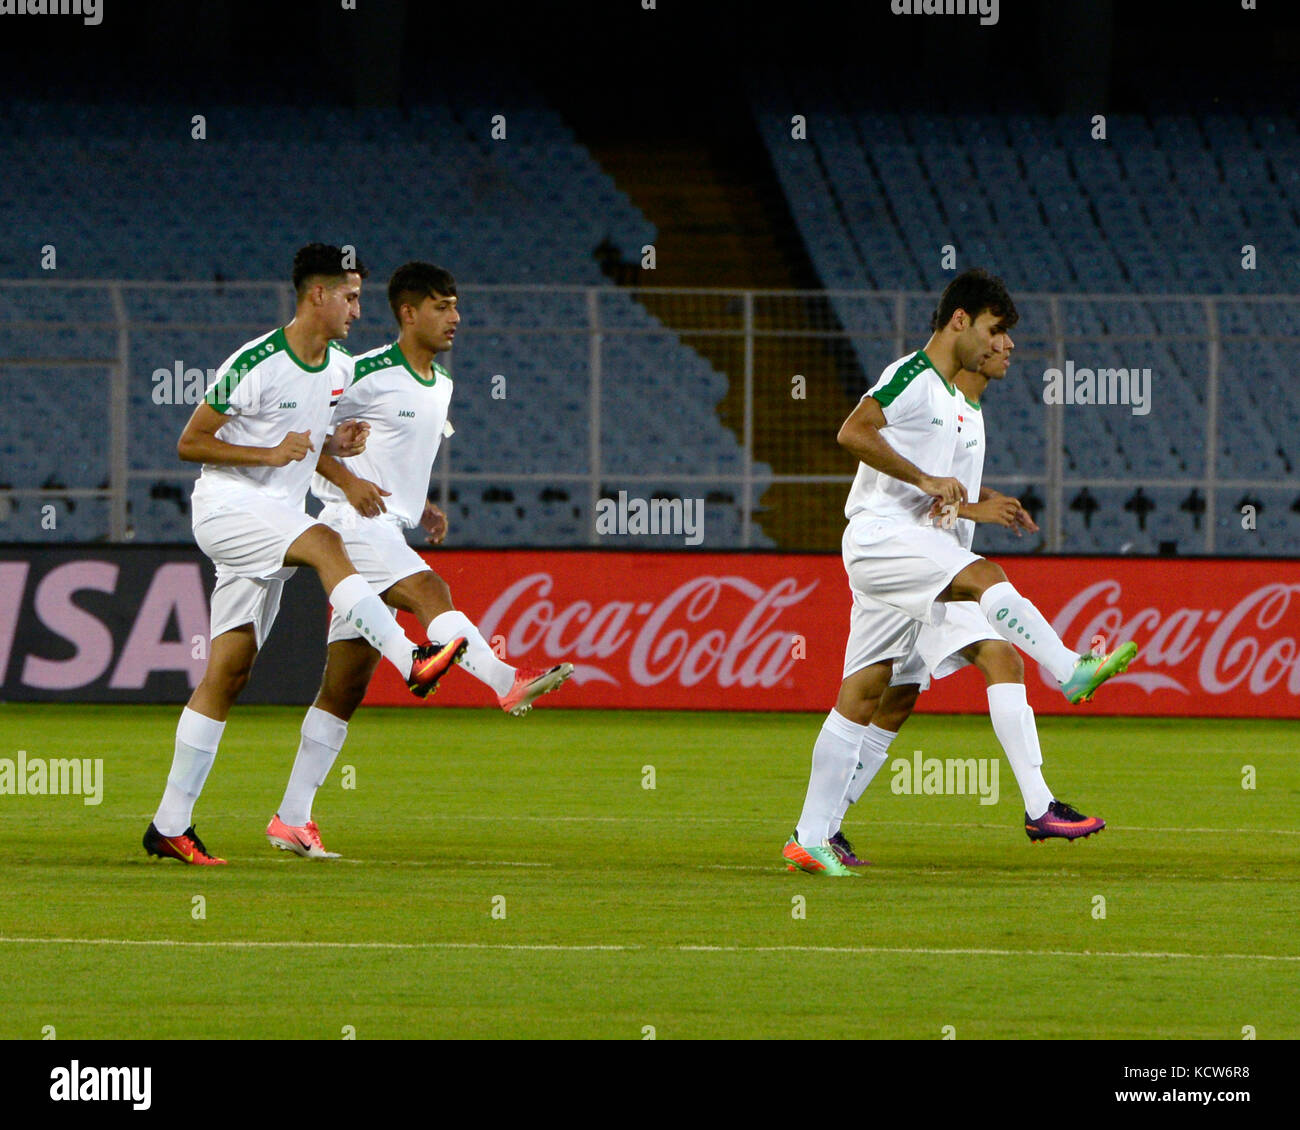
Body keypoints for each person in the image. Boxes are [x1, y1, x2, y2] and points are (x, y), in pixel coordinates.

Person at [783, 268, 1136, 877]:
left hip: (910, 552)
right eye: (996, 331)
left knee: (874, 695)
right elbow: (852, 431)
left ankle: (811, 837)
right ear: (959, 320)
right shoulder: (914, 378)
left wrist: (966, 502)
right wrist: (925, 482)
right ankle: (1069, 672)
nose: (1006, 345)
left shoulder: (953, 401)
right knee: (986, 580)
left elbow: (941, 497)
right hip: (883, 540)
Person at [143, 245, 466, 868]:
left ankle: (168, 825)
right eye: (349, 297)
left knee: (230, 671)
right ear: (317, 295)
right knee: (327, 542)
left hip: (273, 520)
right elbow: (190, 442)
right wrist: (268, 454)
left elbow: (314, 440)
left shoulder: (341, 367)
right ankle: (411, 658)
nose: (357, 309)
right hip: (227, 508)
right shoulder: (258, 361)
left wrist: (337, 448)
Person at [266, 261, 573, 859]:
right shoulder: (367, 371)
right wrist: (344, 479)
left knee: (344, 688)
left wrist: (420, 504)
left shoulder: (441, 382)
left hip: (387, 524)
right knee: (432, 592)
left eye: (456, 306)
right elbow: (301, 433)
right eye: (441, 307)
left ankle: (291, 818)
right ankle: (506, 680)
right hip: (351, 525)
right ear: (408, 313)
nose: (455, 318)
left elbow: (395, 456)